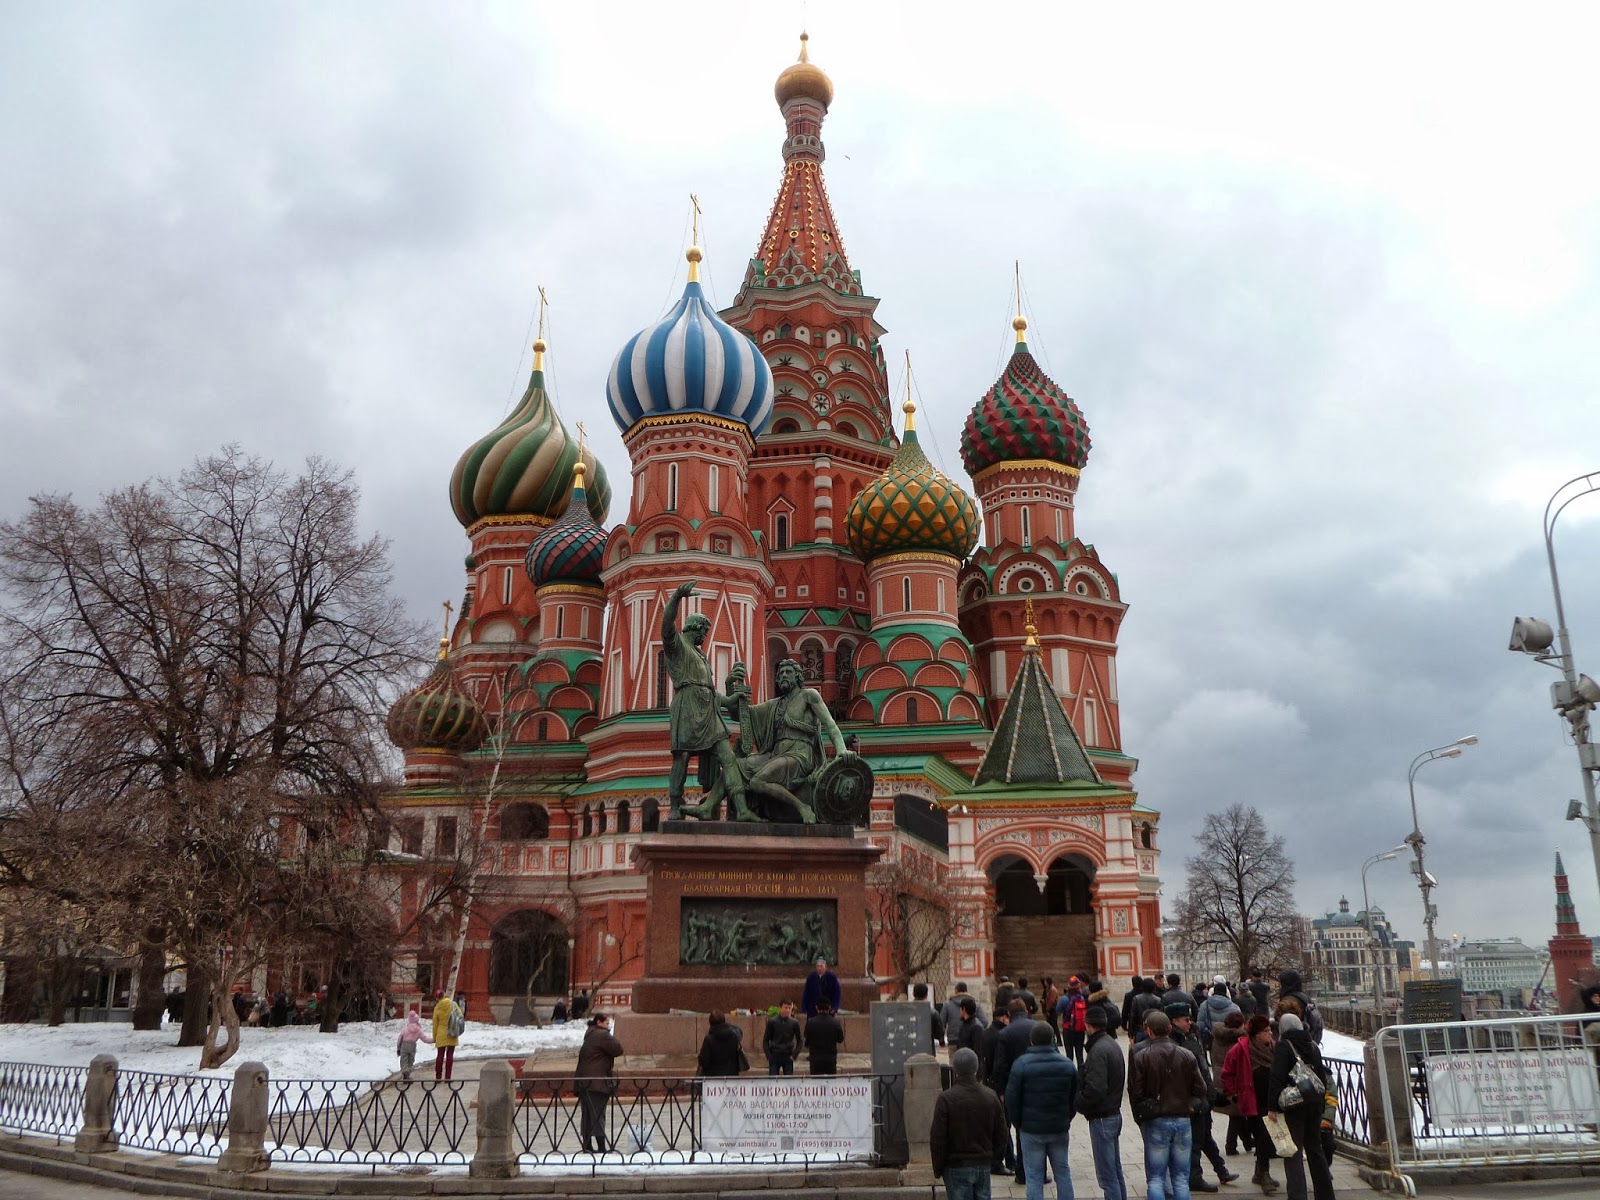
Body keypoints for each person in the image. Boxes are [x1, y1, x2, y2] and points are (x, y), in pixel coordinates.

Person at [661, 581, 754, 820]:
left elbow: (710, 693)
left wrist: (731, 698)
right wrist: (677, 598)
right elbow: (666, 626)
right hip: (687, 707)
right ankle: (674, 807)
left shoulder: (702, 657)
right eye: (703, 631)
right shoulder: (678, 647)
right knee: (681, 757)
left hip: (708, 711)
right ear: (694, 628)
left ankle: (742, 810)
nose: (705, 635)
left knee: (729, 758)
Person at [1129, 1010, 1205, 1200]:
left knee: (1156, 1178)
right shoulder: (1186, 1055)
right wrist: (1190, 1105)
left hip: (1157, 1118)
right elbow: (1201, 1089)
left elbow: (1136, 1092)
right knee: (1180, 1178)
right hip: (1182, 1118)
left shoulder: (1142, 1056)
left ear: (1148, 1031)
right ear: (1170, 1029)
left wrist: (1143, 1112)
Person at [1168, 1002, 1238, 1192]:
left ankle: (1221, 1170)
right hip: (1193, 1100)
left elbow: (1202, 1070)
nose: (1189, 1023)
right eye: (1185, 1020)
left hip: (1203, 1097)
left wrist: (1212, 1094)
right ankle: (1195, 1177)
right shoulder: (1176, 1042)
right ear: (1174, 1021)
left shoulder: (1190, 1036)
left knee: (1205, 1137)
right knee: (1196, 1141)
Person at [1005, 1021, 1078, 1200]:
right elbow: (1074, 1098)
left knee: (1034, 1177)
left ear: (1032, 1041)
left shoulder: (1021, 1064)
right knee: (1063, 1173)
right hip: (1059, 1127)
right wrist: (1066, 1118)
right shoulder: (1067, 1064)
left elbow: (1011, 1099)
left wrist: (1019, 1123)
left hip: (1031, 1129)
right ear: (1053, 1039)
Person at [1268, 1013, 1334, 1200]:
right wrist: (1321, 1103)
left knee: (1293, 1152)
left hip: (1294, 1105)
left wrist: (1272, 1107)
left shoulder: (1284, 1046)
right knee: (1315, 1149)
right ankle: (1325, 1194)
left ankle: (1297, 1195)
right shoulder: (1312, 1045)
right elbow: (1321, 1076)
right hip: (1313, 1103)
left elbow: (1277, 1077)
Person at [931, 1047, 1009, 1200]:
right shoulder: (990, 1095)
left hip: (955, 1164)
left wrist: (938, 1167)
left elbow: (938, 1137)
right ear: (976, 1068)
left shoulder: (946, 1098)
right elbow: (1002, 1132)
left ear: (955, 1069)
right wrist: (993, 1158)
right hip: (982, 1162)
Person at [1076, 1005, 1128, 1200]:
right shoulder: (1111, 1043)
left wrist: (1079, 1102)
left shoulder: (1098, 1050)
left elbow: (1096, 1089)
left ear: (1088, 1026)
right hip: (1113, 1113)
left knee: (1107, 1176)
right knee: (1115, 1171)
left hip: (1102, 1118)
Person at [1222, 1014, 1279, 1193]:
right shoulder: (1241, 1049)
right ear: (1255, 1033)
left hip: (1270, 1101)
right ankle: (1264, 1174)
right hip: (1252, 1101)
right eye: (1265, 1031)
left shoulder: (1274, 1048)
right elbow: (1227, 1073)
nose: (1269, 1034)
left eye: (1270, 1030)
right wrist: (1234, 1094)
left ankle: (1259, 1172)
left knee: (1268, 1140)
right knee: (1262, 1137)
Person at [992, 999, 1038, 1184]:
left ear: (1009, 1014)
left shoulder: (1005, 1033)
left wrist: (1001, 1090)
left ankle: (1021, 1172)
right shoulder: (1037, 1027)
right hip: (1036, 1085)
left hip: (1014, 1087)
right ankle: (1037, 1171)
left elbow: (1000, 1065)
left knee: (1019, 1129)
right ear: (1026, 1010)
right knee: (1035, 1129)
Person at [577, 1012, 623, 1153]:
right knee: (598, 1114)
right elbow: (618, 1049)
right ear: (599, 1022)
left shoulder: (590, 1034)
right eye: (606, 1023)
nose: (608, 1026)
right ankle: (601, 1147)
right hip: (597, 1082)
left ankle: (587, 1146)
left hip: (585, 1081)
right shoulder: (601, 1035)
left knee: (587, 1115)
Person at [1209, 1010, 1252, 1157]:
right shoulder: (1237, 1040)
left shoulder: (1217, 1037)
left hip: (1219, 1077)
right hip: (1233, 1079)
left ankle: (1247, 1142)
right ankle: (1231, 1145)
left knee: (1237, 1113)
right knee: (1236, 1113)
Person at [979, 1007, 1014, 1176]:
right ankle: (998, 1161)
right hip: (999, 1085)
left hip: (989, 1082)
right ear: (1004, 1018)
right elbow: (1000, 1064)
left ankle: (1008, 1156)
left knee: (1001, 1124)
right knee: (1003, 1125)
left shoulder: (986, 1033)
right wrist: (1001, 1089)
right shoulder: (1002, 1035)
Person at [1274, 971, 1323, 1045]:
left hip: (1293, 1043)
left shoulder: (1289, 1000)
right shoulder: (1304, 997)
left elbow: (1287, 1024)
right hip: (1307, 1038)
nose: (1279, 986)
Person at [697, 1010, 746, 1077]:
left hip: (712, 1079)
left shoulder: (709, 1039)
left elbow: (703, 1061)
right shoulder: (734, 1037)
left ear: (710, 1023)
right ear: (724, 1021)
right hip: (731, 1077)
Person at [804, 1000, 844, 1075]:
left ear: (816, 1007)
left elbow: (806, 1036)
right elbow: (840, 1039)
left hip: (815, 1057)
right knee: (830, 1082)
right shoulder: (835, 1022)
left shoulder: (811, 1022)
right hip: (830, 1057)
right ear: (829, 1007)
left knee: (816, 1083)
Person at [763, 999, 802, 1075]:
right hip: (775, 1054)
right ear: (780, 1008)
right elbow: (766, 1039)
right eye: (786, 1007)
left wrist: (794, 1055)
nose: (788, 1010)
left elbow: (800, 1040)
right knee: (773, 1081)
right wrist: (768, 1055)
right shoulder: (772, 1022)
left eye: (790, 1008)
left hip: (788, 1055)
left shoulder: (794, 1023)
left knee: (788, 1082)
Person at [1057, 976, 1089, 1067]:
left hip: (1068, 1029)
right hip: (1080, 1029)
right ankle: (1081, 1075)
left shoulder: (1064, 999)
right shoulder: (1081, 998)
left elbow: (1058, 1011)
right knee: (1080, 1055)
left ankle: (1070, 1075)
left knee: (1069, 1055)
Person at [431, 990, 462, 1080]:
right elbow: (460, 1016)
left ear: (437, 998)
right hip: (452, 1032)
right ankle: (448, 1077)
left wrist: (434, 1036)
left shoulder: (437, 1008)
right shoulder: (453, 1004)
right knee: (450, 1056)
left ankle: (438, 1077)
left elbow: (435, 1024)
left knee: (440, 1055)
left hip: (441, 1033)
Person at [396, 1008, 432, 1082]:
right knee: (410, 1060)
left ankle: (405, 1073)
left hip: (404, 1045)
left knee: (403, 1060)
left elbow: (400, 1038)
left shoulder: (405, 1029)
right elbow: (425, 1039)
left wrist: (398, 1048)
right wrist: (434, 1040)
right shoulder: (419, 1030)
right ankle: (408, 1074)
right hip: (412, 1046)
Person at [914, 982, 945, 1046]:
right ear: (926, 995)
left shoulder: (908, 1011)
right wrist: (941, 1041)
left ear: (913, 994)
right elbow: (938, 1029)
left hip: (911, 1044)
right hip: (927, 1044)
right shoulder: (932, 1013)